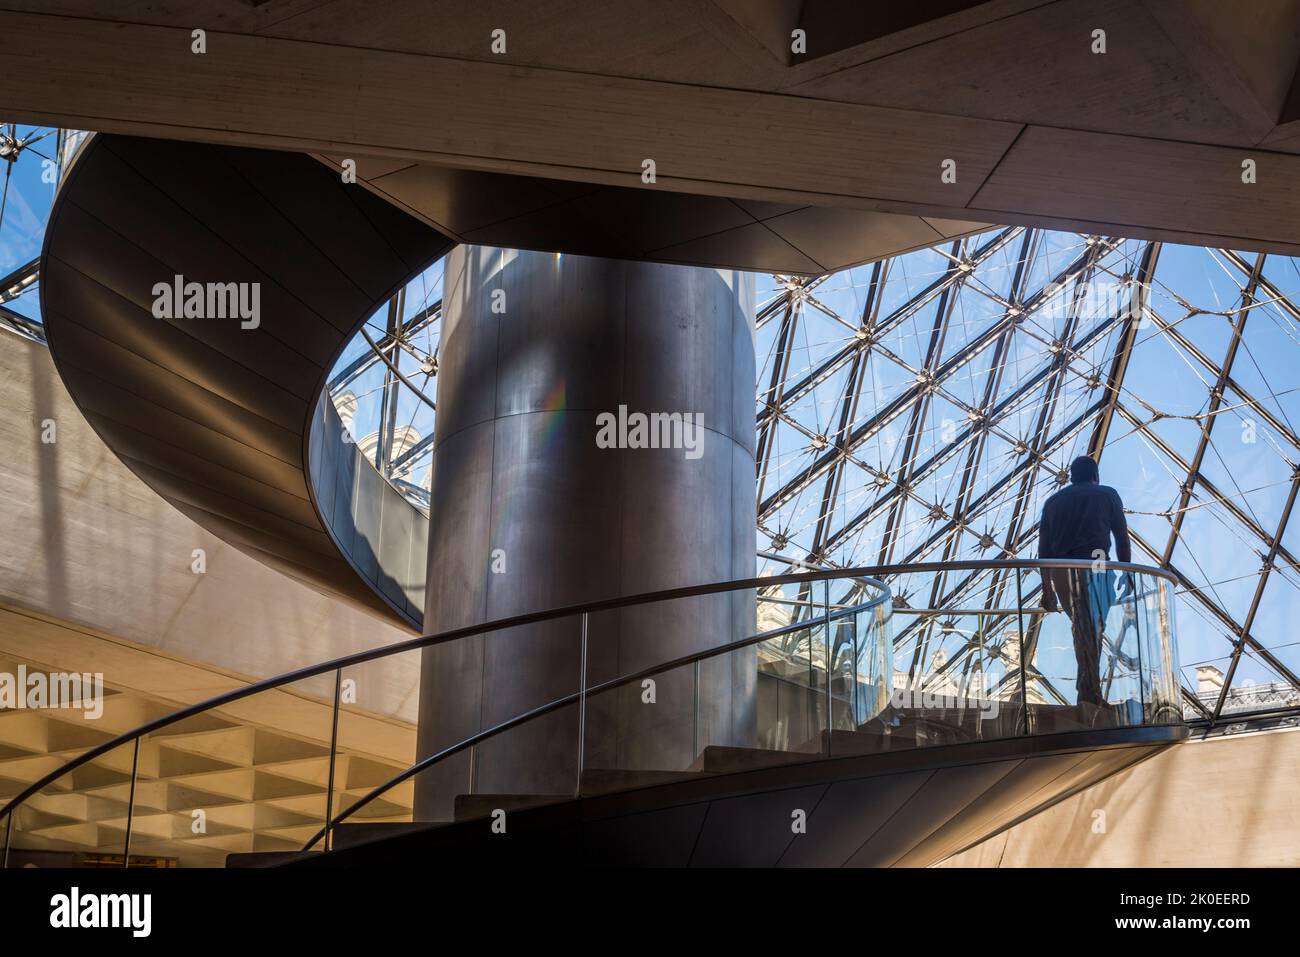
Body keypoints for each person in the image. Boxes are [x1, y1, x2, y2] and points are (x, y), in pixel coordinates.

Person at [1038, 455, 1132, 711]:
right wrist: (1127, 573)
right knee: (1091, 629)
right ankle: (1089, 695)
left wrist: (1048, 591)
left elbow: (1043, 552)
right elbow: (1122, 538)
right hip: (1096, 564)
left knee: (1085, 629)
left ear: (1071, 476)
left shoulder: (1052, 502)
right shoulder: (1107, 494)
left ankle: (1088, 692)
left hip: (1061, 572)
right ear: (1095, 476)